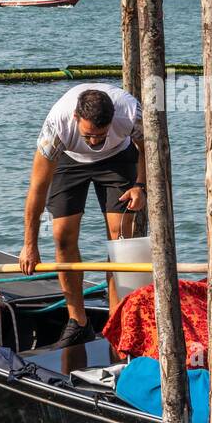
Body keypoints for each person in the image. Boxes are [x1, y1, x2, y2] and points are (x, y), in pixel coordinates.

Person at [19, 85, 146, 348]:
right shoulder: (57, 128)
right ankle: (78, 322)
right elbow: (37, 189)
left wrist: (140, 186)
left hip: (118, 159)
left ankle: (117, 322)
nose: (95, 142)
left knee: (121, 238)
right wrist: (30, 245)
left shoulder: (131, 114)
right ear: (76, 118)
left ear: (112, 121)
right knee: (62, 236)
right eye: (89, 135)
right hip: (70, 160)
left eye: (101, 135)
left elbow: (152, 148)